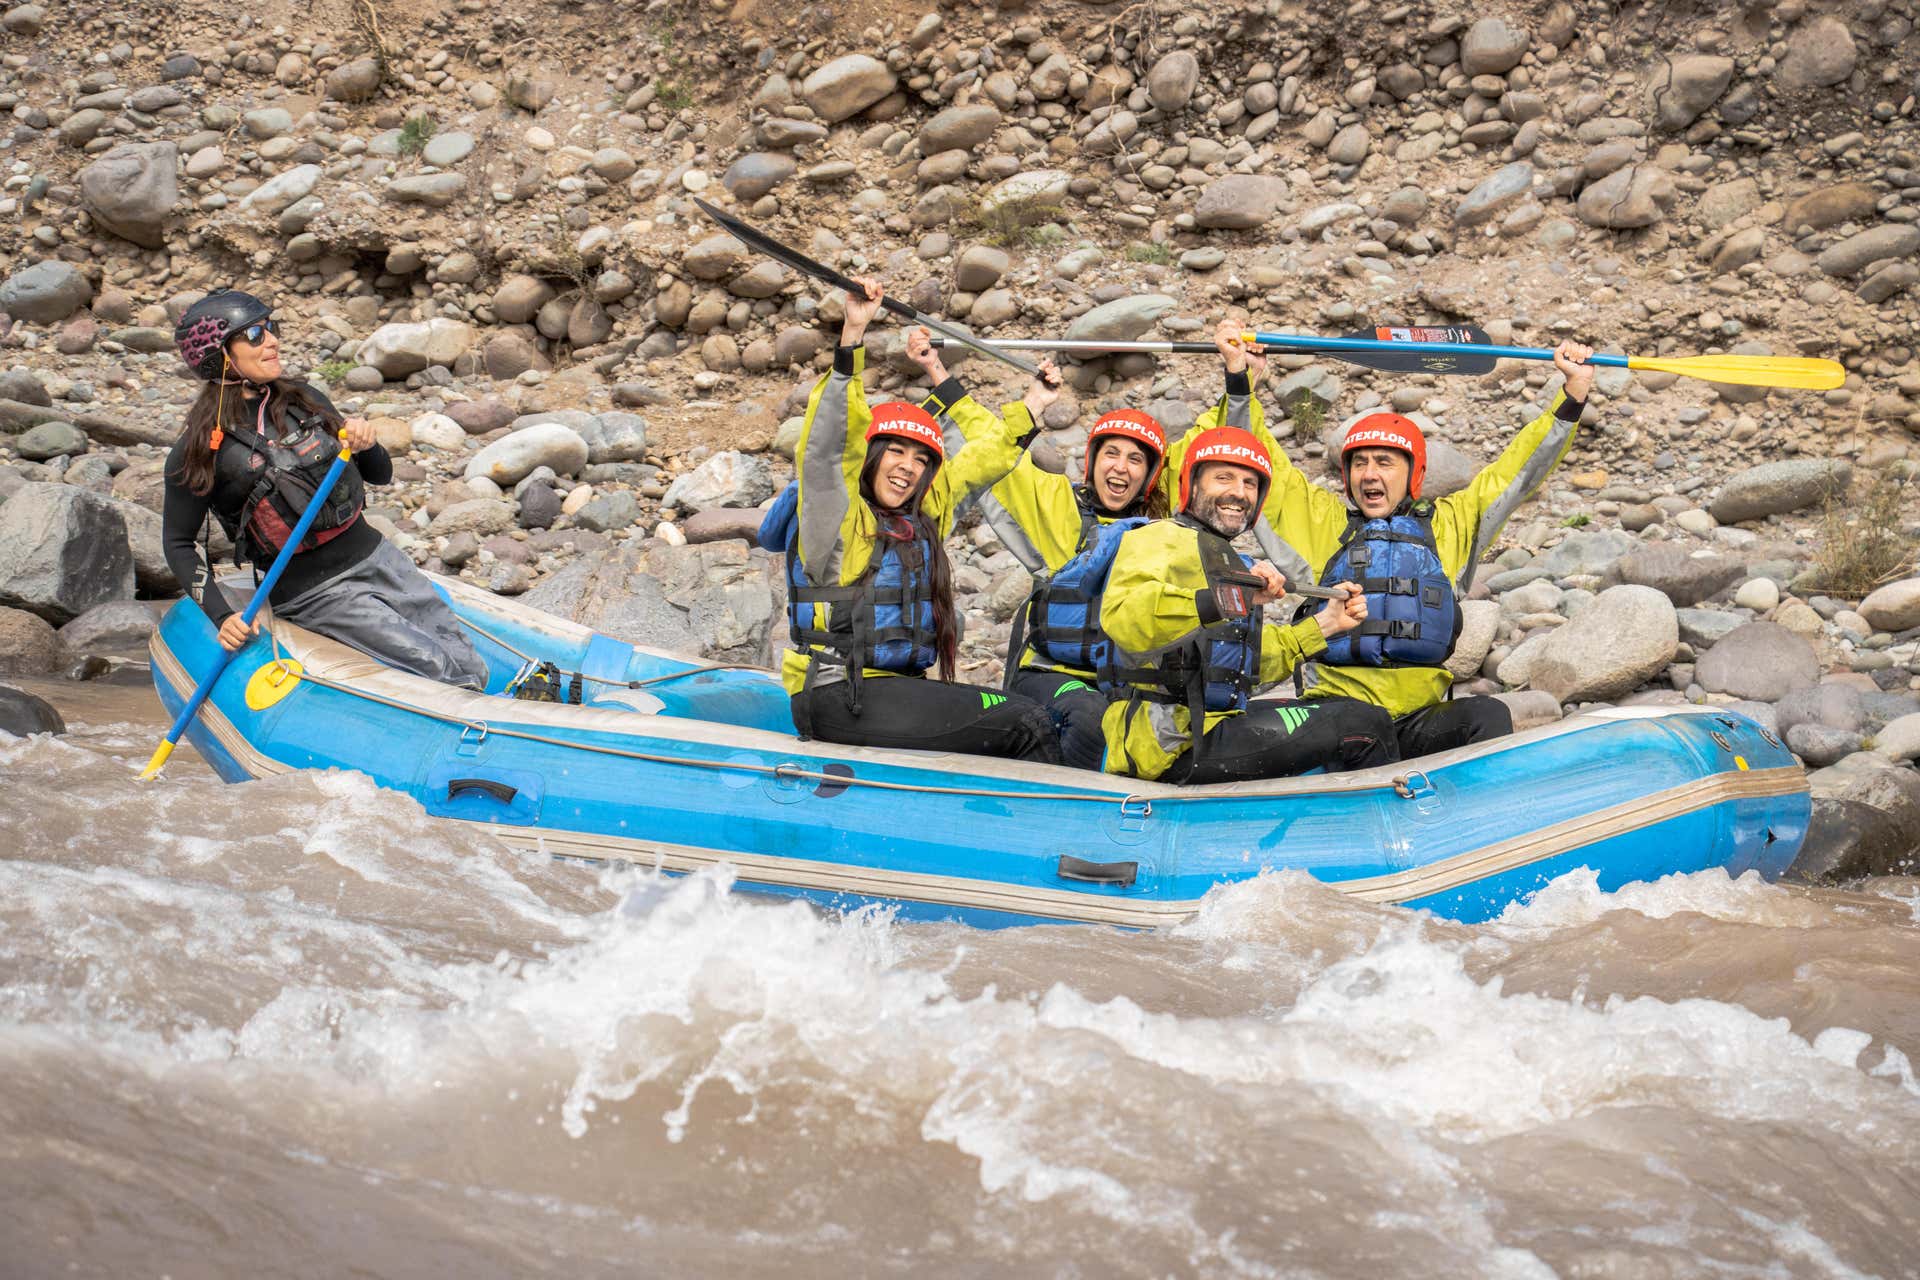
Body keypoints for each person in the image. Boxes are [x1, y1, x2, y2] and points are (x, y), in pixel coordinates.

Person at [1197, 323, 1596, 758]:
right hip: (1336, 716)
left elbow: (1517, 473)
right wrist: (1241, 382)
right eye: (1360, 463)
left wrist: (1571, 396)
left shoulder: (1452, 525)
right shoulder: (1320, 522)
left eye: (1385, 463)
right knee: (1361, 727)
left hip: (1416, 717)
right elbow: (1254, 458)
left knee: (1487, 714)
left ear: (1414, 475)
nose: (1370, 474)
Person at [762, 277, 1064, 764]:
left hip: (891, 690)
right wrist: (852, 336)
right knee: (1026, 720)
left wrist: (1033, 405)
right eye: (896, 452)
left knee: (1022, 717)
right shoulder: (834, 516)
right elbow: (830, 443)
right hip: (839, 692)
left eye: (921, 459)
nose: (909, 466)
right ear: (870, 457)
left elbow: (981, 463)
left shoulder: (924, 518)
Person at [161, 289, 488, 688]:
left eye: (271, 328)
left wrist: (367, 445)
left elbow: (379, 474)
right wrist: (221, 615)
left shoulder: (305, 401)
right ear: (220, 356)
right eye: (255, 335)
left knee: (470, 665)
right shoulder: (198, 449)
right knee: (437, 668)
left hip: (377, 558)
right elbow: (178, 542)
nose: (273, 340)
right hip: (314, 593)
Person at [905, 326, 1173, 768]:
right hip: (1051, 675)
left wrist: (1239, 379)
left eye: (1135, 459)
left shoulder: (1162, 534)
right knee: (1089, 715)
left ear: (1149, 476)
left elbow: (1224, 473)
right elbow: (989, 441)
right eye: (1111, 454)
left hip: (1125, 683)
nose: (1120, 468)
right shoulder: (1056, 505)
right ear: (1092, 461)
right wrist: (936, 369)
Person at [1098, 426, 1398, 783]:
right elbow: (1125, 619)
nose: (1238, 493)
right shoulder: (1156, 537)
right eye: (1223, 478)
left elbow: (1238, 672)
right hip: (1167, 744)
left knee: (1348, 709)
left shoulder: (1230, 559)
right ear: (1191, 486)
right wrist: (1224, 599)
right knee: (1367, 725)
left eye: (1250, 484)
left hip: (1209, 725)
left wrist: (1325, 625)